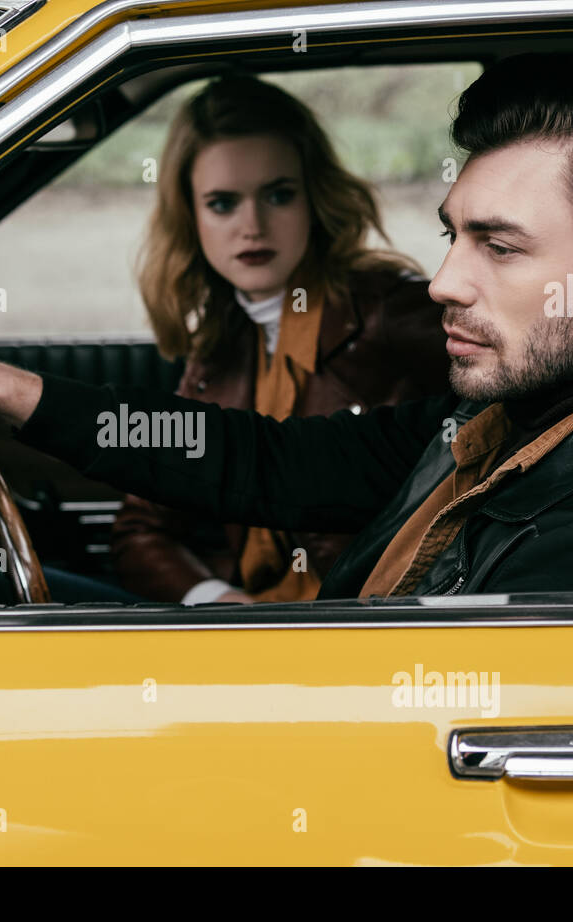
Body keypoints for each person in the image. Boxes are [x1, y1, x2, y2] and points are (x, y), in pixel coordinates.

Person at [0, 53, 573, 602]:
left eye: (501, 247)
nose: (443, 282)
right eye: (454, 235)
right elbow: (264, 459)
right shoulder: (508, 418)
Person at [113, 75, 448, 607]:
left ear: (314, 198)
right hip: (254, 625)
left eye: (278, 195)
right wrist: (217, 599)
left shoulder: (395, 313)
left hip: (363, 635)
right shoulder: (221, 344)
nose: (253, 225)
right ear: (190, 216)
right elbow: (141, 526)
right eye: (223, 203)